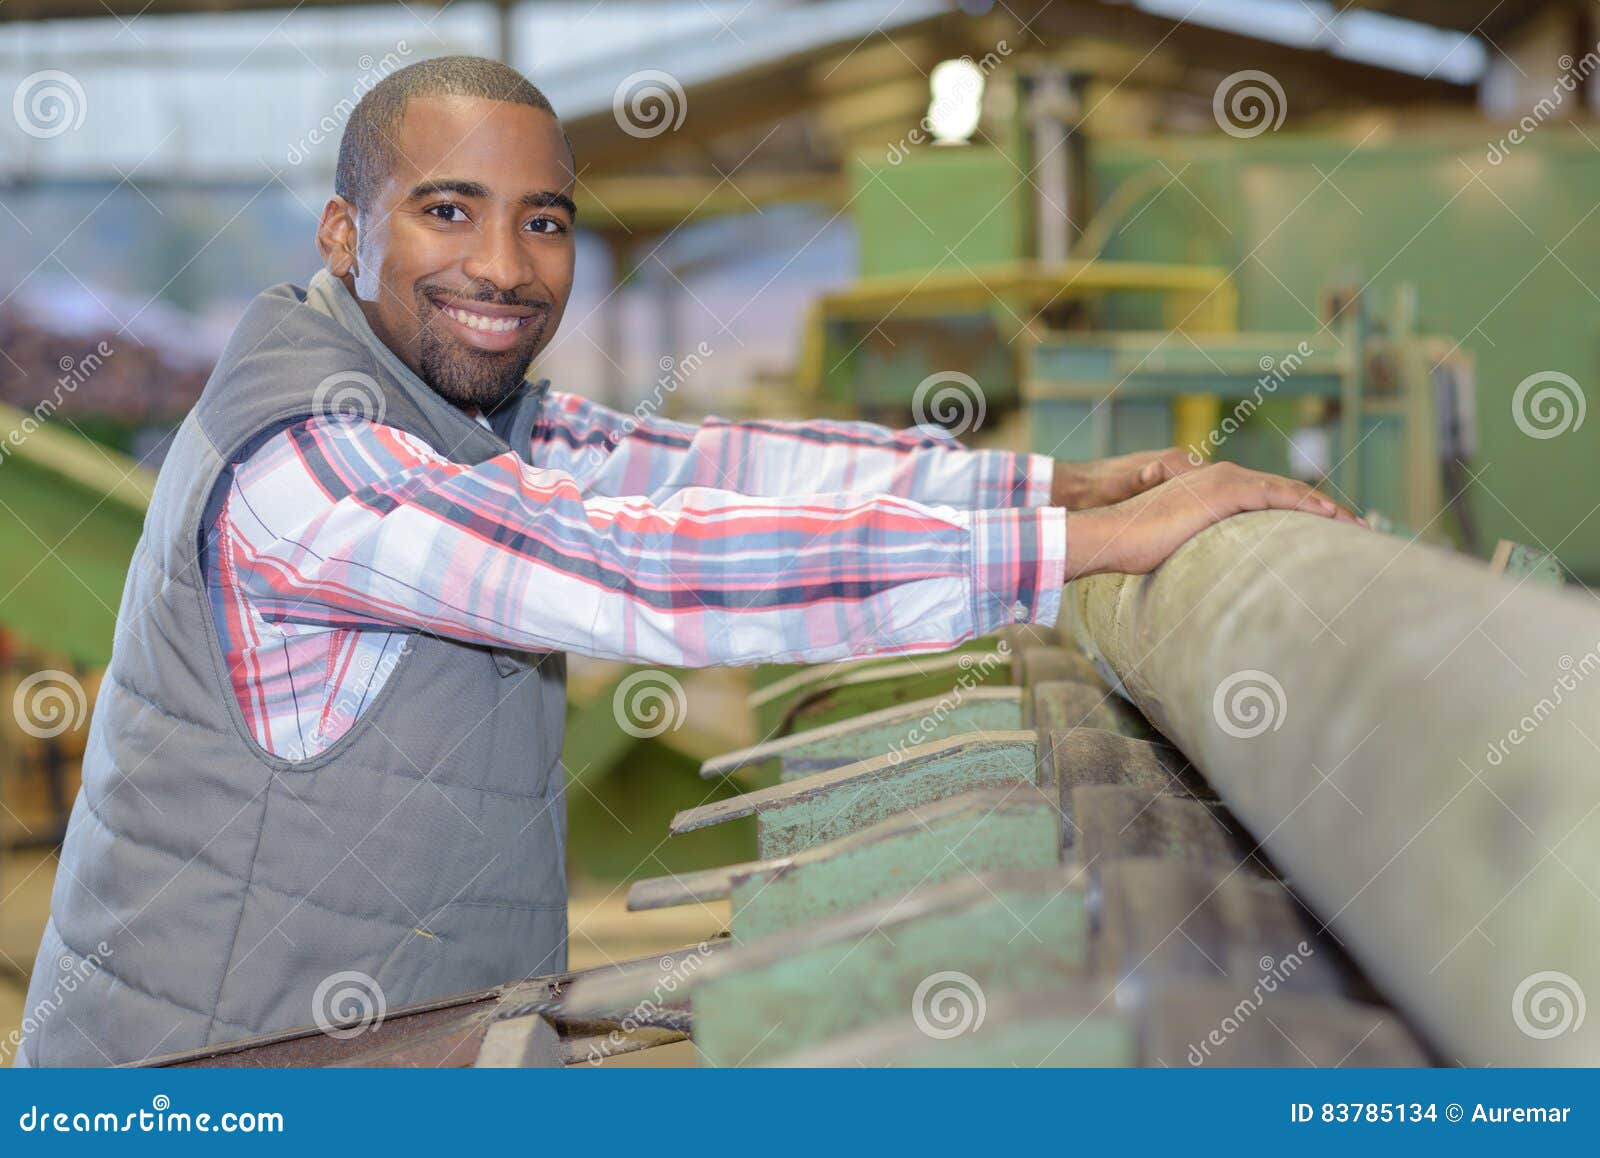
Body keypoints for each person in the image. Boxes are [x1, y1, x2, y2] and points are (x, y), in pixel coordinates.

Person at [15, 55, 1358, 1067]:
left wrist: (1065, 483)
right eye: (447, 210)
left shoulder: (478, 416)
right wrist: (1085, 551)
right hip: (207, 1078)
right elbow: (635, 570)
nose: (504, 264)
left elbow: (713, 471)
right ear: (342, 232)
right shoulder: (316, 459)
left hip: (393, 1053)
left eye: (543, 221)